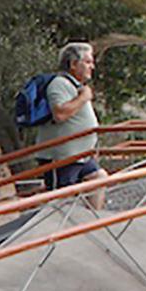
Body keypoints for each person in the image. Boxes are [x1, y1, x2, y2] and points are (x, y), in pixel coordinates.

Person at [40, 41, 104, 210]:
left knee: (98, 177)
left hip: (81, 156)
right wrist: (84, 97)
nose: (92, 67)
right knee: (61, 202)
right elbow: (60, 114)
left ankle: (91, 223)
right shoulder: (59, 84)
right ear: (73, 64)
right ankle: (58, 233)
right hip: (62, 156)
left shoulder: (77, 86)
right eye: (88, 62)